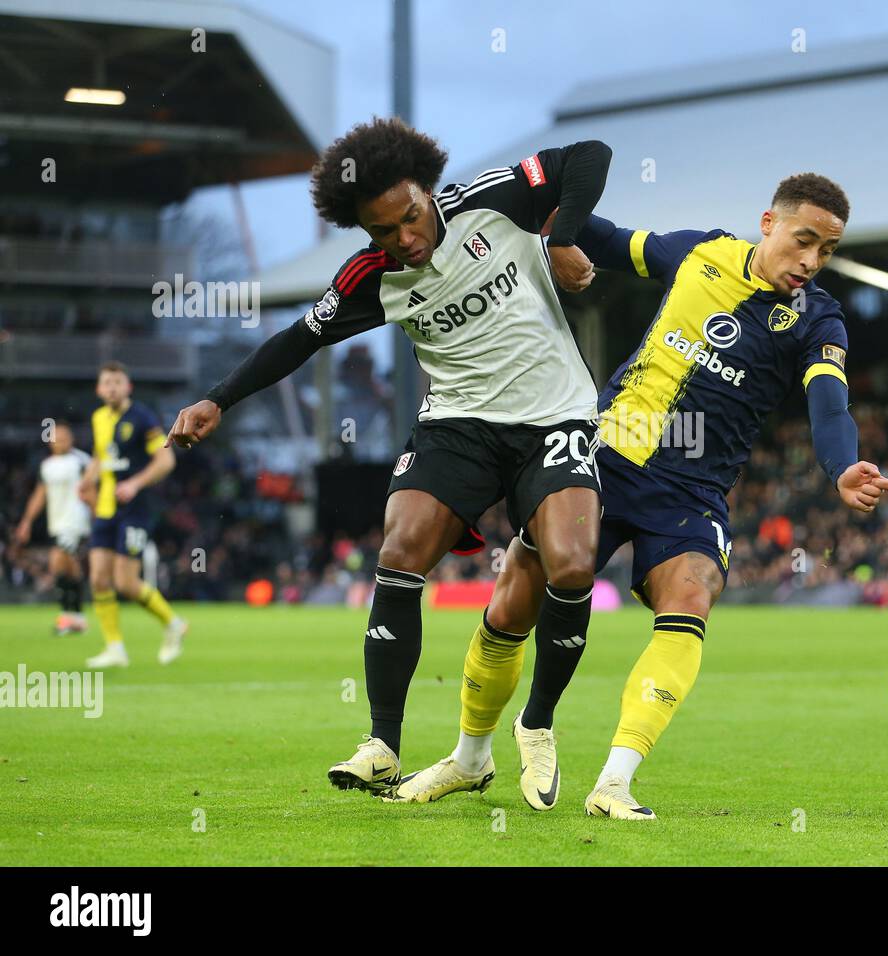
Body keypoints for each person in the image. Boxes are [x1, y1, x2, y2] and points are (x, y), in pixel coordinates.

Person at [402, 173, 888, 818]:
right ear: (769, 223)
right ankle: (471, 757)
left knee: (691, 598)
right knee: (514, 603)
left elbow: (829, 402)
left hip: (693, 490)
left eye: (827, 251)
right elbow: (609, 240)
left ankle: (613, 782)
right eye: (804, 241)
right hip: (606, 453)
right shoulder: (700, 253)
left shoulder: (816, 318)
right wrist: (546, 208)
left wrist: (842, 465)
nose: (811, 261)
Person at [167, 118, 611, 800]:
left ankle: (538, 724)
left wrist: (565, 235)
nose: (405, 238)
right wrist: (217, 401)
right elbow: (296, 340)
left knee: (574, 564)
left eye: (410, 217)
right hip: (458, 425)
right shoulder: (370, 278)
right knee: (400, 551)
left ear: (427, 191)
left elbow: (588, 154)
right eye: (383, 231)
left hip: (555, 413)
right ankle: (382, 744)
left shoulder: (491, 202)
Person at [82, 361, 188, 668]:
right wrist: (87, 478)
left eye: (118, 382)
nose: (112, 387)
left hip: (135, 510)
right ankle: (115, 648)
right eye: (107, 382)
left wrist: (135, 484)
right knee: (99, 579)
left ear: (128, 387)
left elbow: (166, 460)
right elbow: (101, 456)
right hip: (105, 508)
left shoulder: (142, 418)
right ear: (99, 389)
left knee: (126, 583)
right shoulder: (98, 418)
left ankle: (173, 623)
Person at [13, 421, 92, 635]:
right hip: (56, 523)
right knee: (67, 567)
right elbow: (40, 495)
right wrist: (27, 521)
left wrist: (97, 515)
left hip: (76, 521)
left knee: (58, 561)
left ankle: (68, 617)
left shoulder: (82, 461)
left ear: (72, 439)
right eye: (57, 437)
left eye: (65, 437)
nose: (61, 441)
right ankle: (76, 617)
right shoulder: (47, 466)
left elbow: (95, 489)